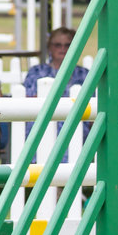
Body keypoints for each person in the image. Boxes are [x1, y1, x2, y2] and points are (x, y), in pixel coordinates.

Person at [21, 28, 89, 158]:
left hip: (76, 127)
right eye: (58, 45)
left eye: (68, 45)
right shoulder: (36, 71)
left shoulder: (84, 74)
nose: (63, 48)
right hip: (41, 125)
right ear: (50, 47)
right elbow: (30, 101)